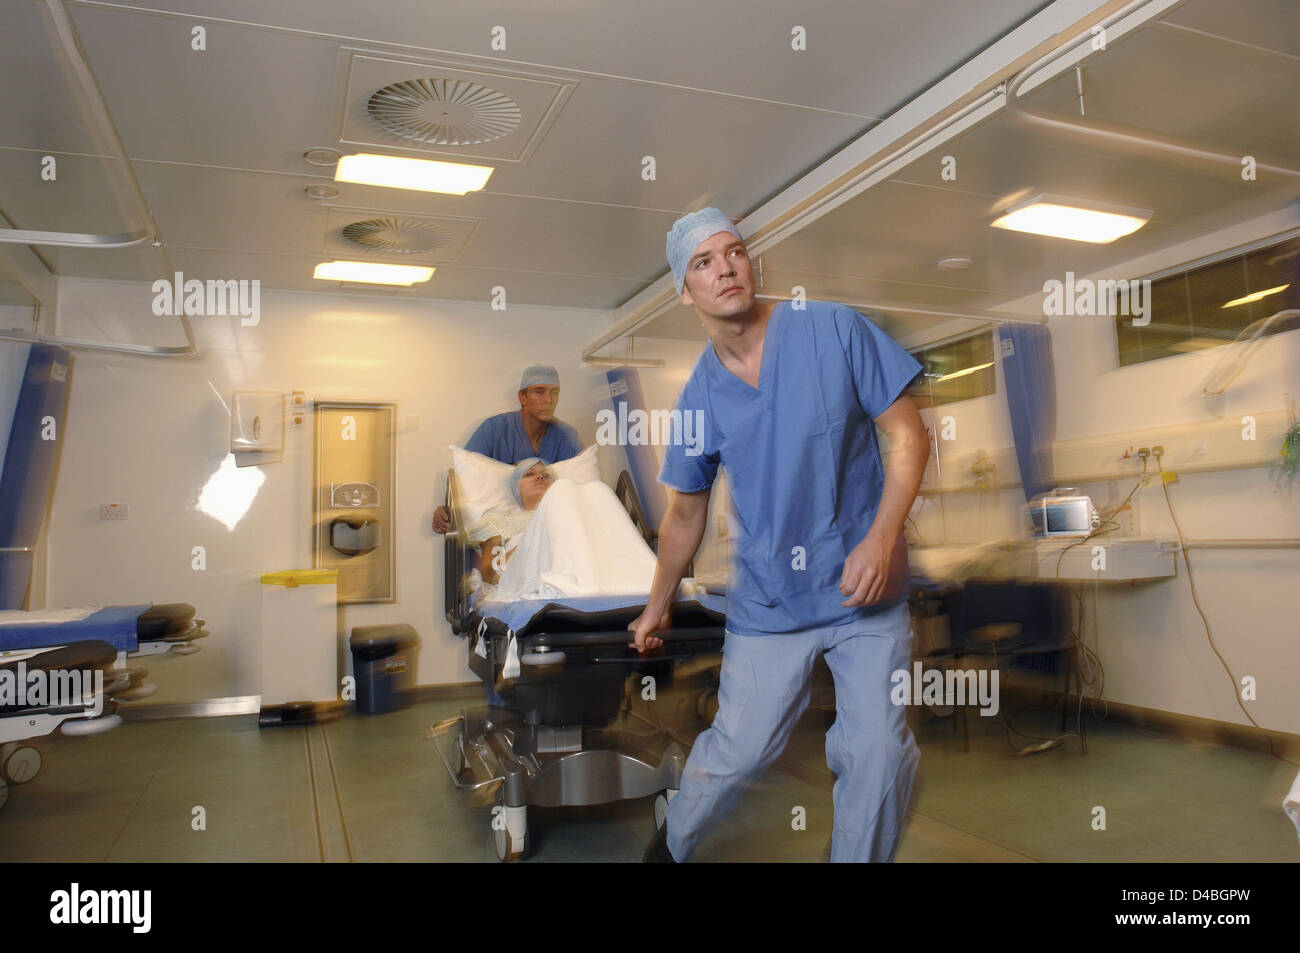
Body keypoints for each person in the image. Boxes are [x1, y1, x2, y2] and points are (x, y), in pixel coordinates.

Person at [630, 207, 931, 863]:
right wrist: (657, 604)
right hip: (771, 600)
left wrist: (882, 535)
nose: (725, 268)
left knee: (878, 752)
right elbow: (685, 514)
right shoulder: (700, 398)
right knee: (741, 749)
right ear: (686, 291)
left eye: (733, 252)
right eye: (703, 263)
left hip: (866, 592)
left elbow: (908, 433)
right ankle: (672, 843)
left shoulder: (833, 328)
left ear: (752, 262)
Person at [432, 365, 582, 534]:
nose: (549, 399)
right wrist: (447, 509)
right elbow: (468, 479)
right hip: (503, 532)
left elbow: (577, 487)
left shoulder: (567, 436)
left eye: (554, 392)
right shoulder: (494, 430)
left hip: (552, 526)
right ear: (522, 397)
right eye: (539, 391)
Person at [467, 458, 555, 585]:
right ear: (517, 486)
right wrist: (530, 542)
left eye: (546, 475)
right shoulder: (497, 521)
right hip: (526, 581)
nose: (540, 477)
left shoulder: (571, 516)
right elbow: (491, 575)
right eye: (529, 474)